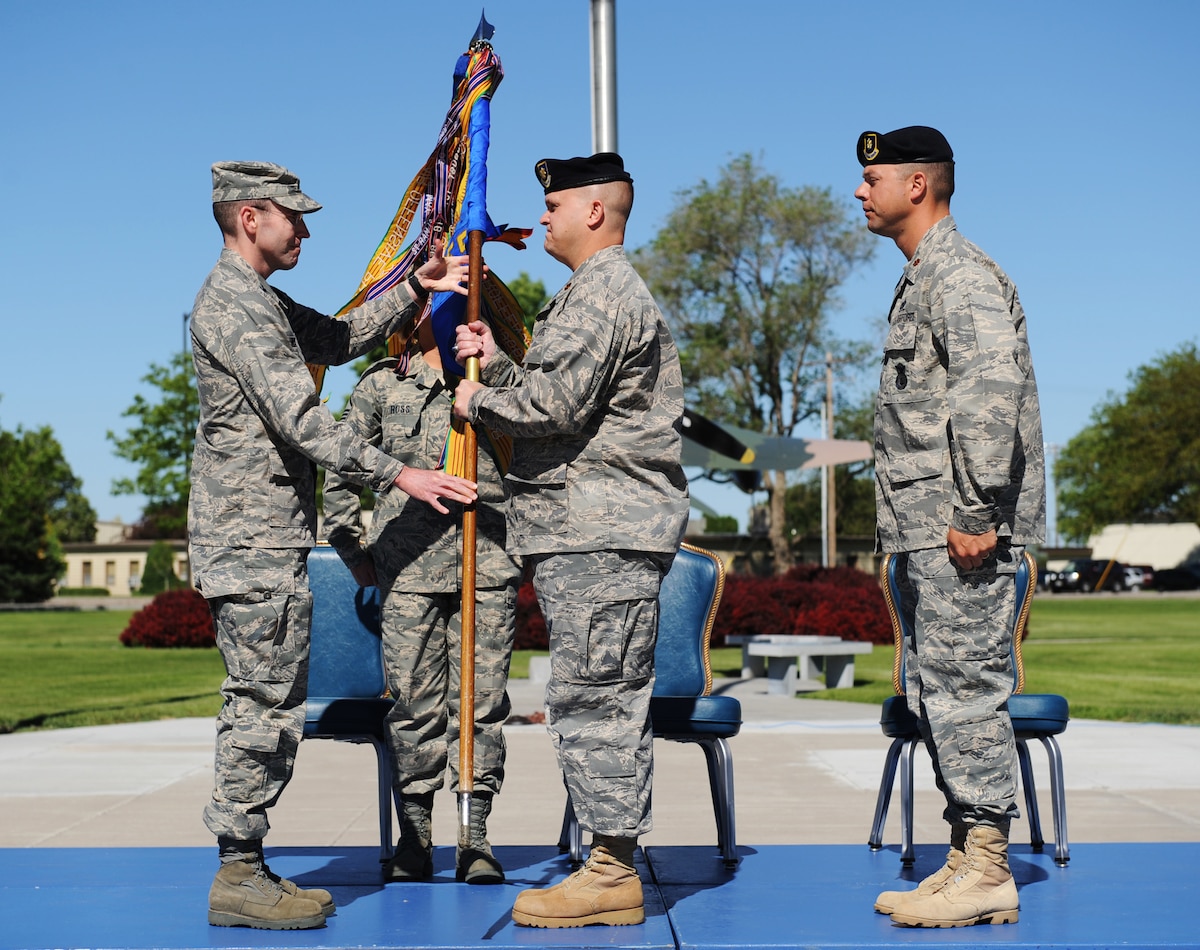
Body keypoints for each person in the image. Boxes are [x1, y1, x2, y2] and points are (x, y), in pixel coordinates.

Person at [190, 160, 479, 931]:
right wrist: (402, 473)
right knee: (260, 702)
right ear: (251, 217)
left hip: (262, 536)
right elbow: (303, 422)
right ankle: (240, 873)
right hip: (248, 538)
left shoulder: (262, 302)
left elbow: (343, 337)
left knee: (270, 697)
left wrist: (417, 287)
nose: (306, 230)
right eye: (295, 217)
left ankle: (246, 866)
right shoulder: (235, 306)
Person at [452, 152, 689, 928]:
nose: (542, 217)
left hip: (602, 532)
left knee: (597, 701)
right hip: (585, 531)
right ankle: (605, 860)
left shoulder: (602, 294)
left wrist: (478, 395)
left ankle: (612, 870)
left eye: (553, 204)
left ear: (594, 210)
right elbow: (564, 396)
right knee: (587, 695)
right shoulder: (589, 296)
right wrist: (502, 366)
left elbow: (552, 408)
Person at [854, 127, 1045, 928]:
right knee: (939, 694)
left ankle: (991, 868)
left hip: (960, 532)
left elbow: (988, 396)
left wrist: (974, 514)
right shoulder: (922, 278)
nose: (861, 192)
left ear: (920, 186)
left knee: (967, 695)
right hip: (924, 531)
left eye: (874, 178)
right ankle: (967, 853)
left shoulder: (960, 276)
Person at [323, 309, 521, 886]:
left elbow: (541, 443)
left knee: (481, 704)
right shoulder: (381, 385)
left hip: (485, 565)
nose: (436, 315)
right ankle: (415, 837)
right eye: (429, 305)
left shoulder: (498, 378)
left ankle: (474, 837)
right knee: (413, 706)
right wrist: (351, 549)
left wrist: (491, 367)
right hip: (405, 571)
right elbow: (340, 470)